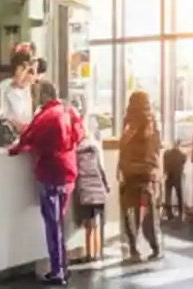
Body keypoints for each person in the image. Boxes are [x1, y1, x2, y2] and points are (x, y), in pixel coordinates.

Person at [9, 80, 84, 285]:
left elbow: (28, 139)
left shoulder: (45, 116)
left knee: (52, 224)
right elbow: (80, 135)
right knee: (60, 222)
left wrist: (14, 149)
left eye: (35, 94)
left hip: (51, 172)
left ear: (42, 95)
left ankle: (57, 270)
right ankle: (63, 266)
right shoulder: (69, 111)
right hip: (68, 172)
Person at [118, 90, 163, 261]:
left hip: (130, 174)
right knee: (148, 211)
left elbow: (123, 145)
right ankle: (155, 246)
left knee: (129, 212)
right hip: (148, 174)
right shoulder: (154, 123)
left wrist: (120, 168)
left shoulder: (131, 122)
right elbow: (157, 150)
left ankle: (134, 249)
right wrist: (157, 171)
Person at [73, 119, 109, 264]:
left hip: (85, 192)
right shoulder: (95, 149)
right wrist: (106, 185)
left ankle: (89, 253)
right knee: (97, 224)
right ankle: (97, 252)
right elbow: (101, 169)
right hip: (98, 190)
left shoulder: (76, 152)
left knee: (89, 226)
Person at [0, 46, 37, 140]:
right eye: (23, 70)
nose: (26, 75)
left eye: (30, 71)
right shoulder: (2, 89)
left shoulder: (35, 90)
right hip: (8, 138)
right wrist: (14, 124)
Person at [162, 141, 187, 220]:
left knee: (168, 195)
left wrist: (165, 172)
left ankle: (169, 214)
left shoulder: (167, 154)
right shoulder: (182, 155)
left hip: (169, 175)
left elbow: (165, 163)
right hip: (178, 176)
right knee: (180, 195)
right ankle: (181, 213)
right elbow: (184, 161)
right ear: (179, 145)